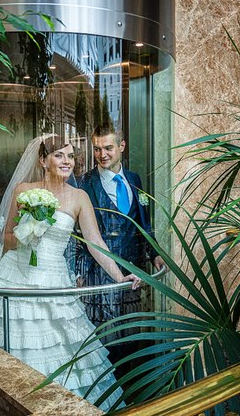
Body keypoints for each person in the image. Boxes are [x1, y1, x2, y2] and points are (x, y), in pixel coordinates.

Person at [0, 134, 141, 411]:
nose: (67, 161)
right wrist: (28, 233)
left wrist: (120, 276)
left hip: (55, 280)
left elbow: (96, 243)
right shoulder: (23, 190)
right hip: (16, 276)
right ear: (43, 160)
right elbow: (6, 239)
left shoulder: (79, 197)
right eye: (59, 155)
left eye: (70, 156)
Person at [76, 123, 164, 366]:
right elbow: (77, 235)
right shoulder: (84, 183)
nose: (102, 154)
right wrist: (78, 273)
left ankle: (130, 384)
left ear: (122, 146)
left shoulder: (134, 179)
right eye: (97, 149)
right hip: (99, 275)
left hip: (134, 273)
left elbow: (143, 223)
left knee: (131, 335)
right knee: (105, 341)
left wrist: (155, 253)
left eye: (108, 148)